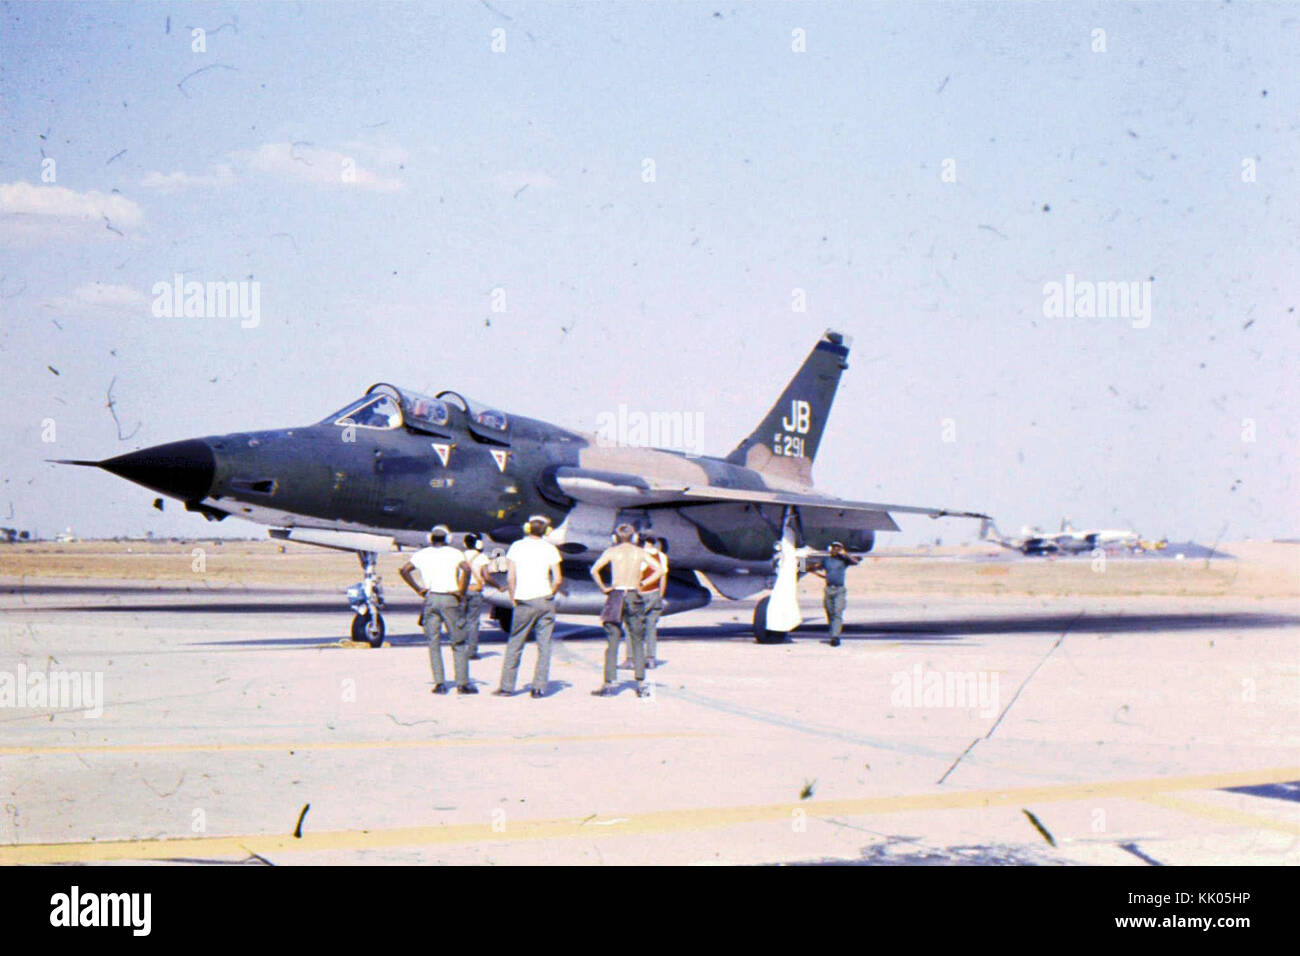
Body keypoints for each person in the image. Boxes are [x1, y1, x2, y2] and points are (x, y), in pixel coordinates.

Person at [399, 525, 475, 693]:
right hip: (450, 598)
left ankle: (439, 683)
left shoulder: (421, 554)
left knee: (433, 643)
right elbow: (467, 569)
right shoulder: (455, 553)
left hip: (431, 599)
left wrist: (418, 589)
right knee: (458, 642)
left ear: (430, 539)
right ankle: (462, 683)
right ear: (448, 539)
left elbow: (404, 570)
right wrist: (461, 591)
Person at [591, 524, 661, 697]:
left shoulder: (612, 552)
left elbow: (594, 570)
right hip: (633, 594)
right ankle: (641, 682)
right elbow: (660, 569)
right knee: (637, 639)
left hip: (615, 595)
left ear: (616, 536)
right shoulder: (639, 552)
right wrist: (643, 584)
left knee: (612, 640)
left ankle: (608, 683)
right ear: (635, 537)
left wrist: (603, 587)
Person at [497, 515, 563, 698]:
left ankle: (507, 687)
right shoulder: (551, 549)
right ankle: (539, 687)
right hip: (545, 600)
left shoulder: (517, 546)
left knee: (516, 643)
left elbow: (511, 577)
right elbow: (557, 579)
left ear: (527, 528)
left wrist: (512, 597)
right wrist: (550, 593)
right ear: (547, 530)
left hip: (524, 600)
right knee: (544, 646)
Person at [627, 536, 668, 669]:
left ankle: (631, 658)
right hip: (654, 594)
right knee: (651, 627)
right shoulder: (661, 556)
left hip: (640, 594)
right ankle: (650, 658)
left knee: (632, 627)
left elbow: (636, 575)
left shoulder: (638, 556)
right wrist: (660, 596)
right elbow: (663, 579)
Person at [810, 541, 860, 647]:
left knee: (837, 612)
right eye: (834, 547)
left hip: (839, 590)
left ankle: (835, 637)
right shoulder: (826, 560)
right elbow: (810, 567)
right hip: (828, 589)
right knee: (830, 612)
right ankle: (833, 633)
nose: (835, 550)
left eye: (838, 548)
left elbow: (855, 562)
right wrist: (801, 559)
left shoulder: (843, 560)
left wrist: (845, 554)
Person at [461, 533, 491, 660]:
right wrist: (498, 586)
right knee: (473, 622)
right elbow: (486, 576)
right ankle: (472, 651)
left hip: (462, 590)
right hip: (476, 590)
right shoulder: (482, 557)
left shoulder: (460, 556)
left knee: (460, 621)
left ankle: (459, 649)